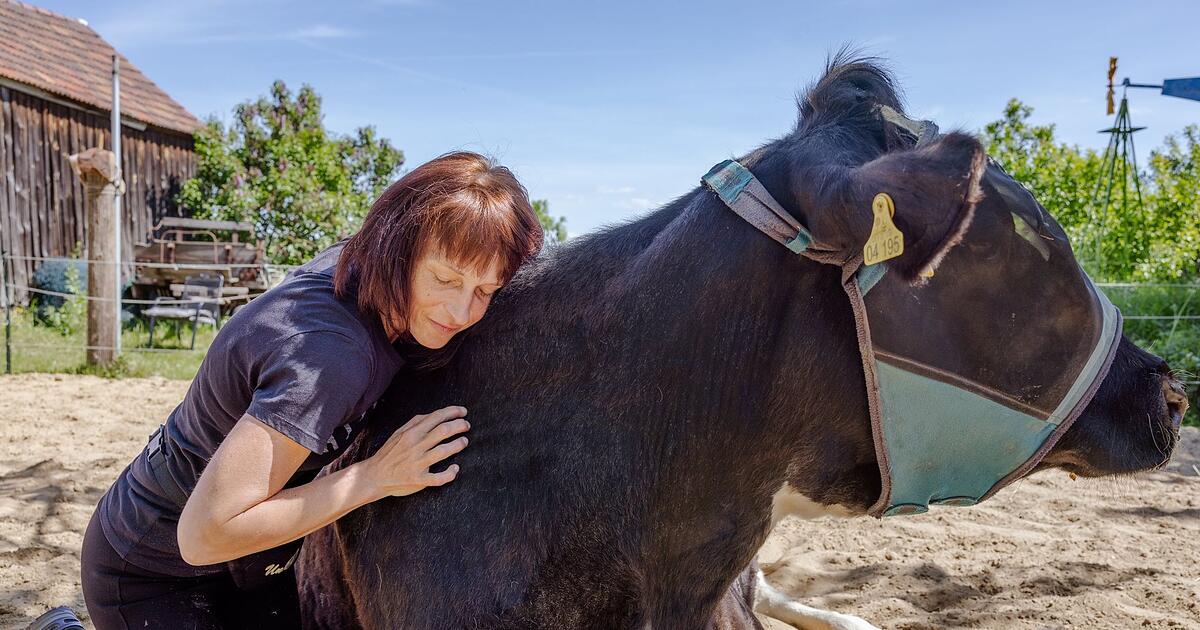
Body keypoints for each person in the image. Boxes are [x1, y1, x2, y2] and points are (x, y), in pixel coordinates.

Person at [76, 152, 544, 629]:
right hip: (155, 569)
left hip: (258, 557)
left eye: (485, 290)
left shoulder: (362, 270)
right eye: (445, 279)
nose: (462, 312)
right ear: (398, 249)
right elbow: (206, 533)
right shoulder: (329, 358)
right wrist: (375, 477)